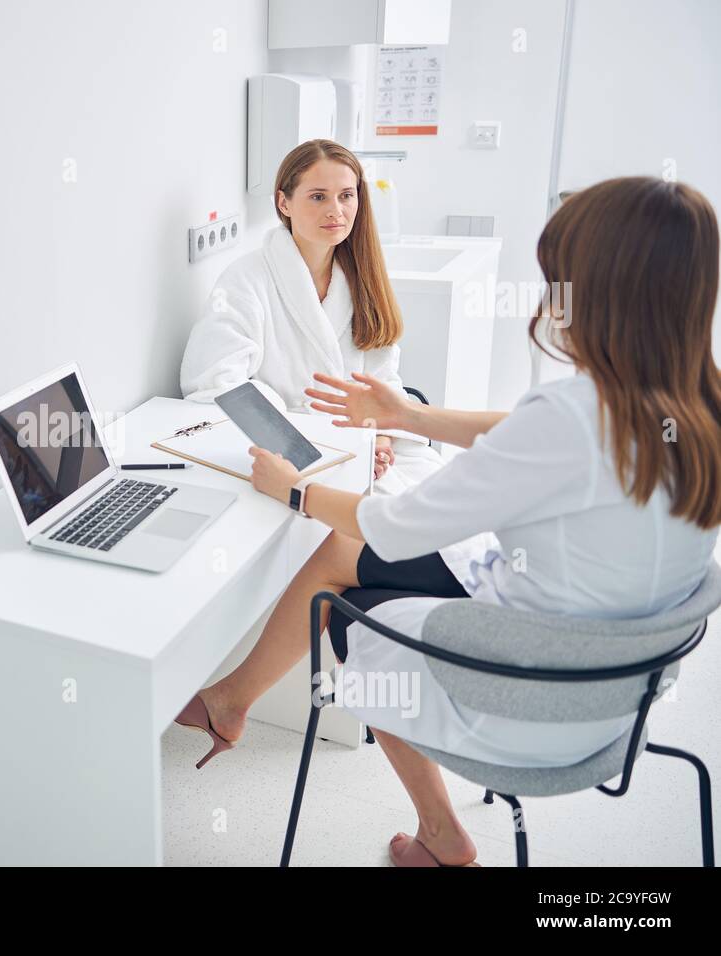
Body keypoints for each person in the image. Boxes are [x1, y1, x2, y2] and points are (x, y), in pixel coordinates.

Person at [174, 176, 721, 867]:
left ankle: (435, 830)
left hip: (530, 696)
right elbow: (532, 430)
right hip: (621, 692)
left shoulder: (571, 418)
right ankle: (234, 701)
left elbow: (399, 525)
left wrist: (293, 492)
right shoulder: (693, 403)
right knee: (344, 555)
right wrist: (411, 417)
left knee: (349, 604)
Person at [180, 138, 441, 493]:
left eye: (346, 195)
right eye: (318, 196)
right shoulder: (246, 280)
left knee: (450, 522)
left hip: (366, 448)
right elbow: (215, 382)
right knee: (385, 530)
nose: (335, 210)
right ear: (283, 203)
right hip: (288, 455)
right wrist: (295, 437)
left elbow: (383, 374)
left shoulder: (362, 276)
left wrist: (381, 438)